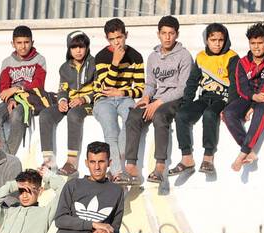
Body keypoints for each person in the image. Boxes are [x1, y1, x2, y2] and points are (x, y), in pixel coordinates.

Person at [121, 16, 190, 186]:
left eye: (171, 33)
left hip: (176, 99)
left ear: (177, 34)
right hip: (156, 98)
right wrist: (145, 97)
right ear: (158, 34)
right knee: (133, 115)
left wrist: (158, 103)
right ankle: (131, 168)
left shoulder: (184, 56)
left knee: (159, 116)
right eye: (164, 33)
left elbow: (183, 88)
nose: (167, 37)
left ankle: (160, 167)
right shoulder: (153, 56)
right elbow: (151, 83)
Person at [171, 24, 236, 177]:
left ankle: (208, 157)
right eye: (213, 40)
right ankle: (187, 158)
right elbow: (192, 82)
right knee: (181, 115)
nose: (217, 43)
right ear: (206, 40)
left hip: (223, 98)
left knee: (209, 114)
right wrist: (186, 104)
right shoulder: (201, 57)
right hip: (205, 97)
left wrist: (230, 108)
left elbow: (234, 85)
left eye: (221, 40)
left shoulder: (231, 57)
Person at [223, 22, 264, 172]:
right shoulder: (242, 62)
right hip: (250, 97)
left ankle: (243, 153)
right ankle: (250, 151)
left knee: (260, 111)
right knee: (228, 113)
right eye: (252, 43)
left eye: (260, 43)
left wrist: (254, 104)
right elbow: (241, 87)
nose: (256, 47)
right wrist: (252, 99)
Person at [92, 18, 146, 178]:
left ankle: (118, 160)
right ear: (107, 39)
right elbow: (105, 85)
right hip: (103, 100)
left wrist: (122, 92)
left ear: (126, 35)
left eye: (119, 37)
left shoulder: (136, 56)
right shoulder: (101, 56)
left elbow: (140, 89)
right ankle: (117, 172)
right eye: (112, 39)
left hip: (124, 98)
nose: (116, 42)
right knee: (111, 130)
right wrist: (115, 61)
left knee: (131, 121)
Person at [38, 32, 96, 176]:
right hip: (71, 103)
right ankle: (48, 161)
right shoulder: (64, 68)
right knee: (45, 114)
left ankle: (71, 162)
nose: (78, 50)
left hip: (90, 104)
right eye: (74, 47)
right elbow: (62, 89)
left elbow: (99, 89)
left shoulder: (95, 64)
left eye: (81, 46)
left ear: (87, 47)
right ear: (68, 49)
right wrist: (62, 101)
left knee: (74, 114)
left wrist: (84, 99)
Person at [0, 26, 50, 156]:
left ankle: (7, 157)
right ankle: (5, 154)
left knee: (16, 115)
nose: (23, 46)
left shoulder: (39, 60)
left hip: (29, 99)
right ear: (13, 44)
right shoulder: (7, 62)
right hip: (11, 99)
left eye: (26, 42)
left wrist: (17, 89)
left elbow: (38, 84)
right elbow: (4, 87)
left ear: (32, 42)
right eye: (19, 43)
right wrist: (10, 99)